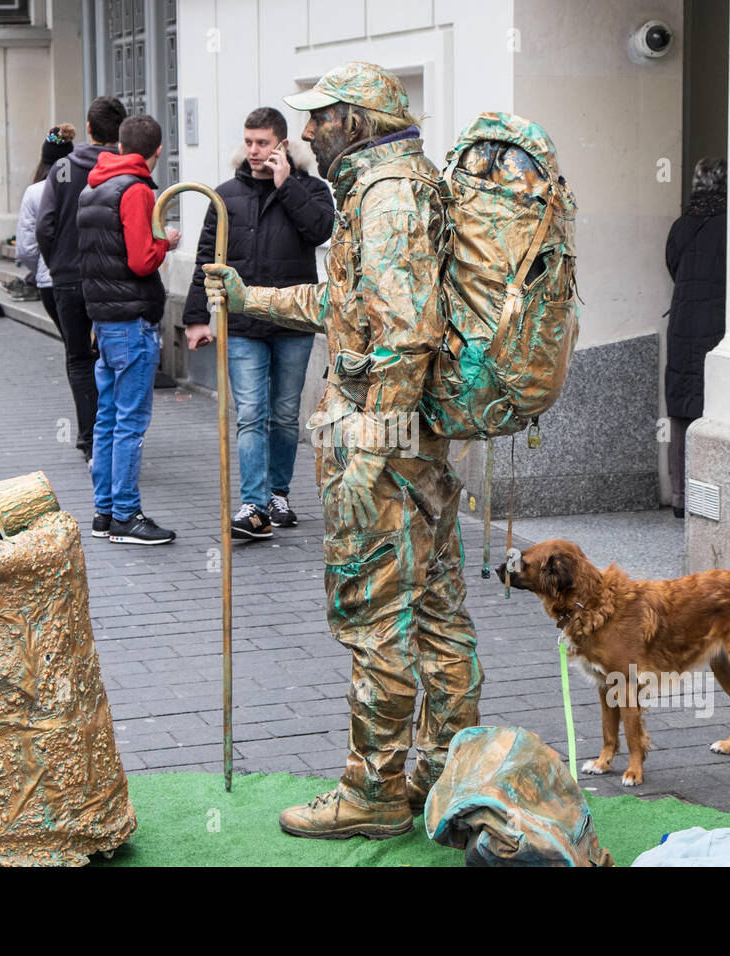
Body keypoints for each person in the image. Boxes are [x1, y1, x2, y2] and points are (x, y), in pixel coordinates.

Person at [205, 62, 482, 838]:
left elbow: (402, 336)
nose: (309, 132)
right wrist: (250, 295)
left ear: (354, 121)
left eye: (321, 118)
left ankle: (375, 792)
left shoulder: (389, 196)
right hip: (409, 445)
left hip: (383, 446)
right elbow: (348, 304)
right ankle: (445, 768)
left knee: (376, 614)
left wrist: (368, 453)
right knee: (433, 607)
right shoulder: (393, 185)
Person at [183, 107, 334, 540]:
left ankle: (278, 494)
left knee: (285, 415)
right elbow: (207, 259)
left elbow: (320, 230)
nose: (253, 151)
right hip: (244, 323)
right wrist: (196, 317)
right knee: (251, 413)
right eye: (248, 141)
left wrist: (287, 186)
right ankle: (253, 503)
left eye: (262, 143)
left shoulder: (311, 188)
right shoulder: (225, 195)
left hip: (293, 321)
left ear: (282, 146)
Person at [77, 114, 181, 545]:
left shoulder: (92, 186)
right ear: (156, 152)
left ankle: (104, 512)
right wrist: (167, 243)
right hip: (130, 320)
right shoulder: (136, 190)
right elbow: (140, 260)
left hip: (103, 318)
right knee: (130, 423)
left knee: (106, 419)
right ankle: (125, 514)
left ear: (119, 146)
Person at [35, 96, 125, 464]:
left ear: (89, 129)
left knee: (77, 358)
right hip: (113, 278)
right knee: (115, 355)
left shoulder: (62, 168)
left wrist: (56, 262)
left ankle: (89, 436)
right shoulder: (125, 169)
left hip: (69, 278)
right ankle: (115, 432)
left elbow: (44, 224)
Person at [664, 158, 726, 518]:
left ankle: (679, 496)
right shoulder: (728, 228)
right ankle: (708, 493)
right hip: (716, 326)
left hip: (682, 323)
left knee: (679, 409)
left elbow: (672, 266)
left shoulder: (680, 226)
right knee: (710, 404)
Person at [8, 124, 75, 312]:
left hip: (50, 279)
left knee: (71, 339)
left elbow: (26, 248)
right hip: (82, 277)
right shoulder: (82, 186)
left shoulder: (34, 192)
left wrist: (40, 268)